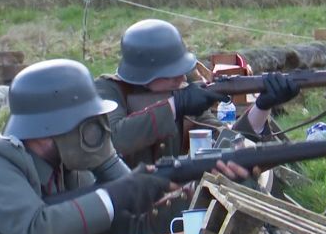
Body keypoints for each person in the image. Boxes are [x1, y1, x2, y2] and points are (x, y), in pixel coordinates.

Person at [0, 59, 246, 234]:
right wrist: (116, 190)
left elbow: (129, 223)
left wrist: (197, 191)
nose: (101, 128)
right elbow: (38, 232)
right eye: (90, 122)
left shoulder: (71, 168)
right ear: (54, 126)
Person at [96, 19, 301, 167]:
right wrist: (175, 106)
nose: (182, 78)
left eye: (182, 71)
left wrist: (262, 107)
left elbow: (228, 142)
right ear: (144, 75)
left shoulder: (185, 90)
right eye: (171, 74)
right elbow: (114, 141)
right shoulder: (108, 90)